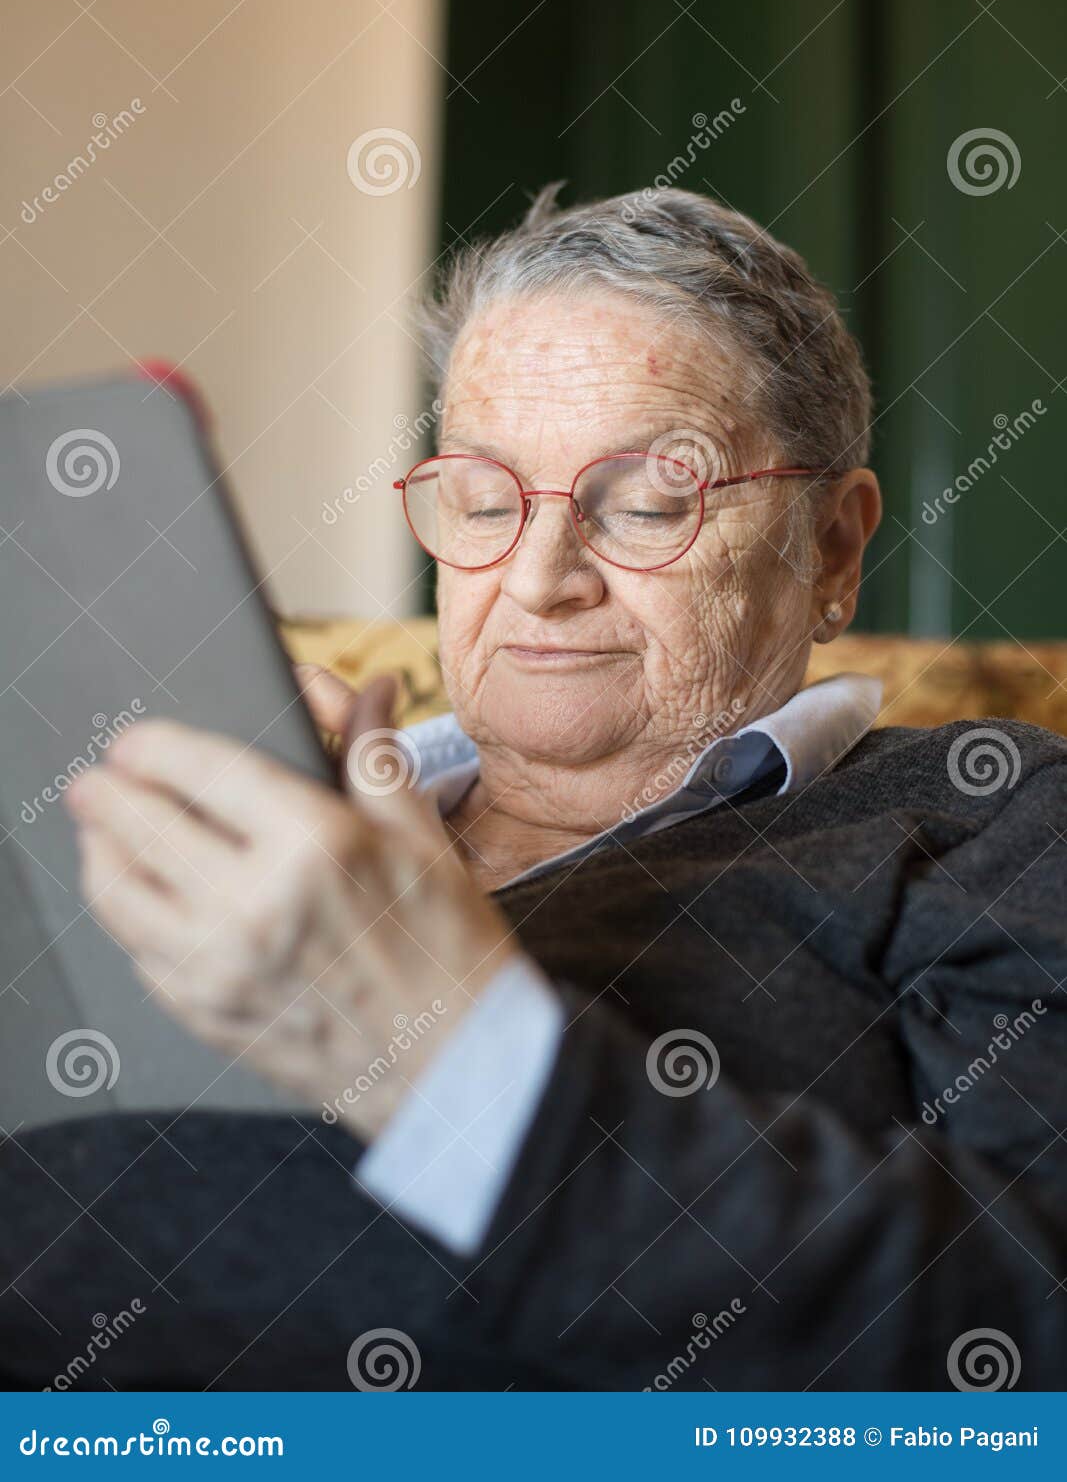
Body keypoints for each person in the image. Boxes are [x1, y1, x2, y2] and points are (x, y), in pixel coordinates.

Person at [5, 187, 1065, 1390]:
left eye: (649, 503)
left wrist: (450, 1060)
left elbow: (1028, 1332)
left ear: (830, 547)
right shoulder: (255, 823)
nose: (537, 577)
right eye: (484, 500)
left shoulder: (986, 817)